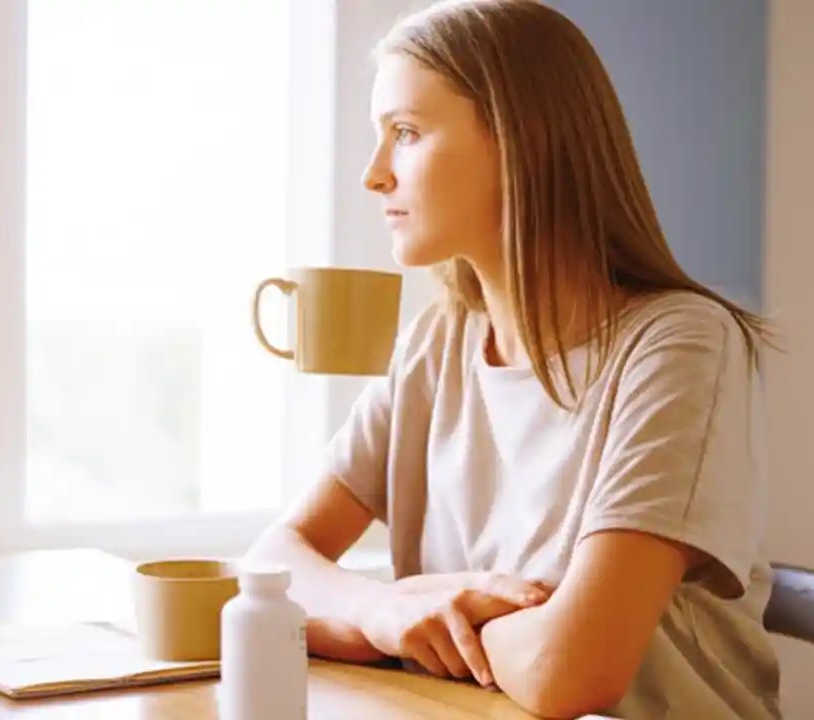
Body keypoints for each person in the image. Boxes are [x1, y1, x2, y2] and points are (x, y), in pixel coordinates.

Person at [242, 1, 782, 718]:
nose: (374, 175)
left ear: (523, 140)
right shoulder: (439, 344)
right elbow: (275, 562)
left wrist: (424, 617)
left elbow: (573, 671)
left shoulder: (679, 345)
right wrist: (385, 611)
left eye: (405, 133)